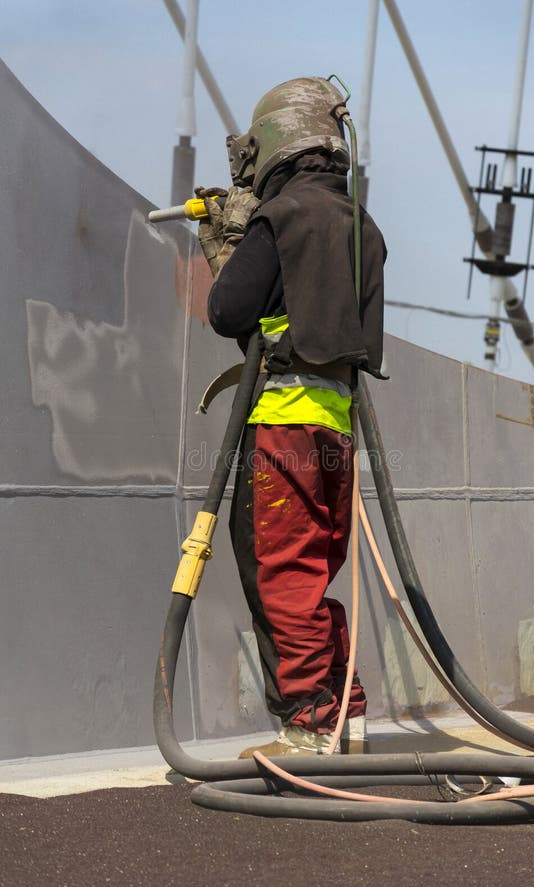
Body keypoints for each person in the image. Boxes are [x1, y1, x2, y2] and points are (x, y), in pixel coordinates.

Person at [197, 77, 386, 757]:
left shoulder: (286, 219)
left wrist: (229, 243)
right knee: (314, 573)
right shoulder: (362, 226)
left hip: (283, 424)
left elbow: (227, 313)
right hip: (336, 429)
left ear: (272, 146)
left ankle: (305, 726)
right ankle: (347, 716)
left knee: (282, 574)